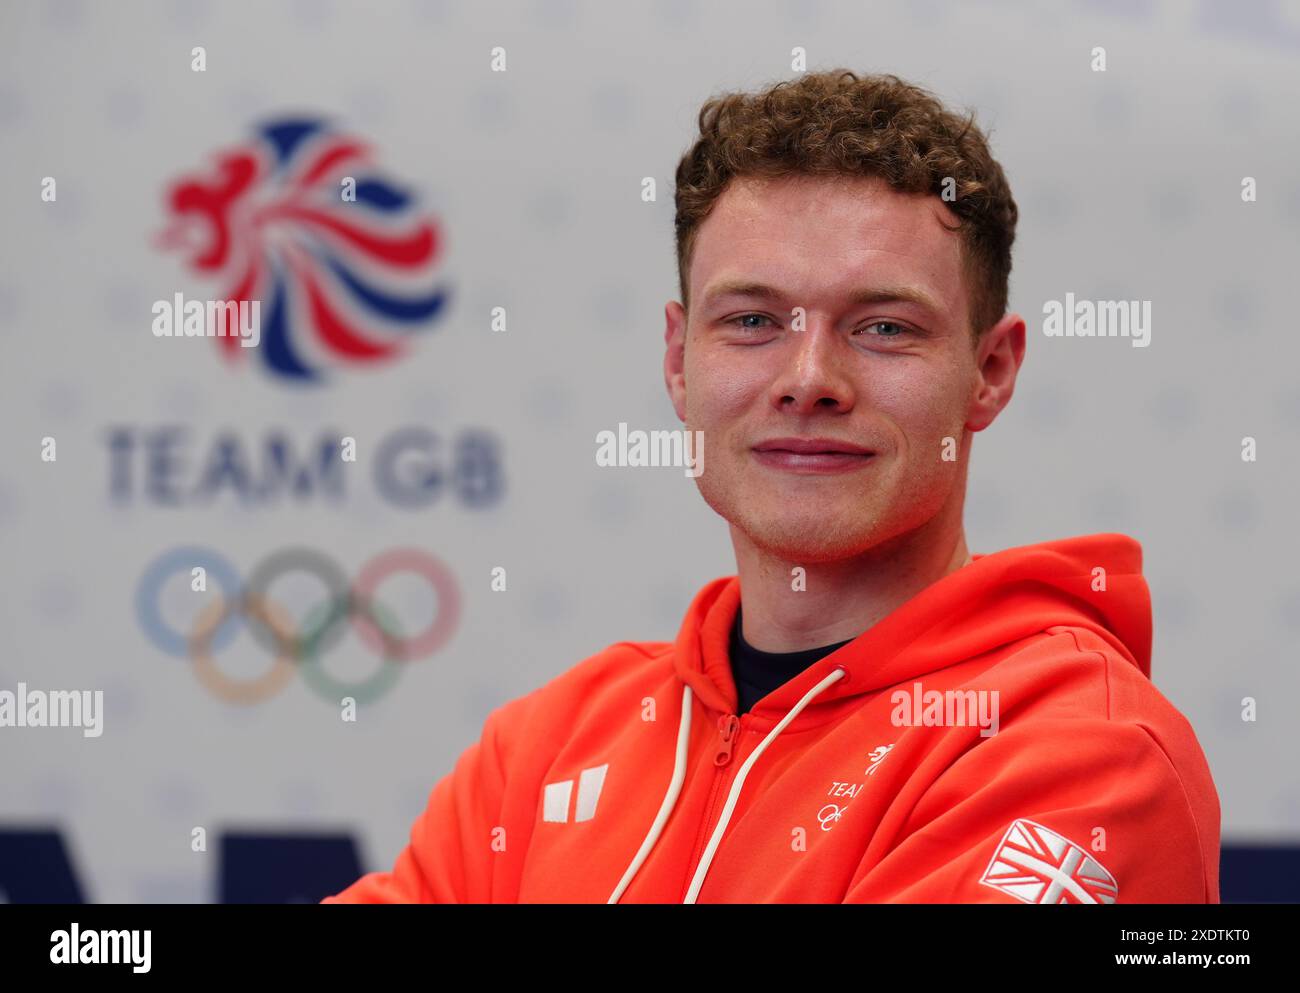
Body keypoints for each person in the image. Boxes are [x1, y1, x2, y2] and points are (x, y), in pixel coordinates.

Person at [323, 69, 1219, 904]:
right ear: (679, 362)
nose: (808, 377)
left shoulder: (1083, 753)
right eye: (752, 320)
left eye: (882, 326)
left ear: (989, 371)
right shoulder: (549, 745)